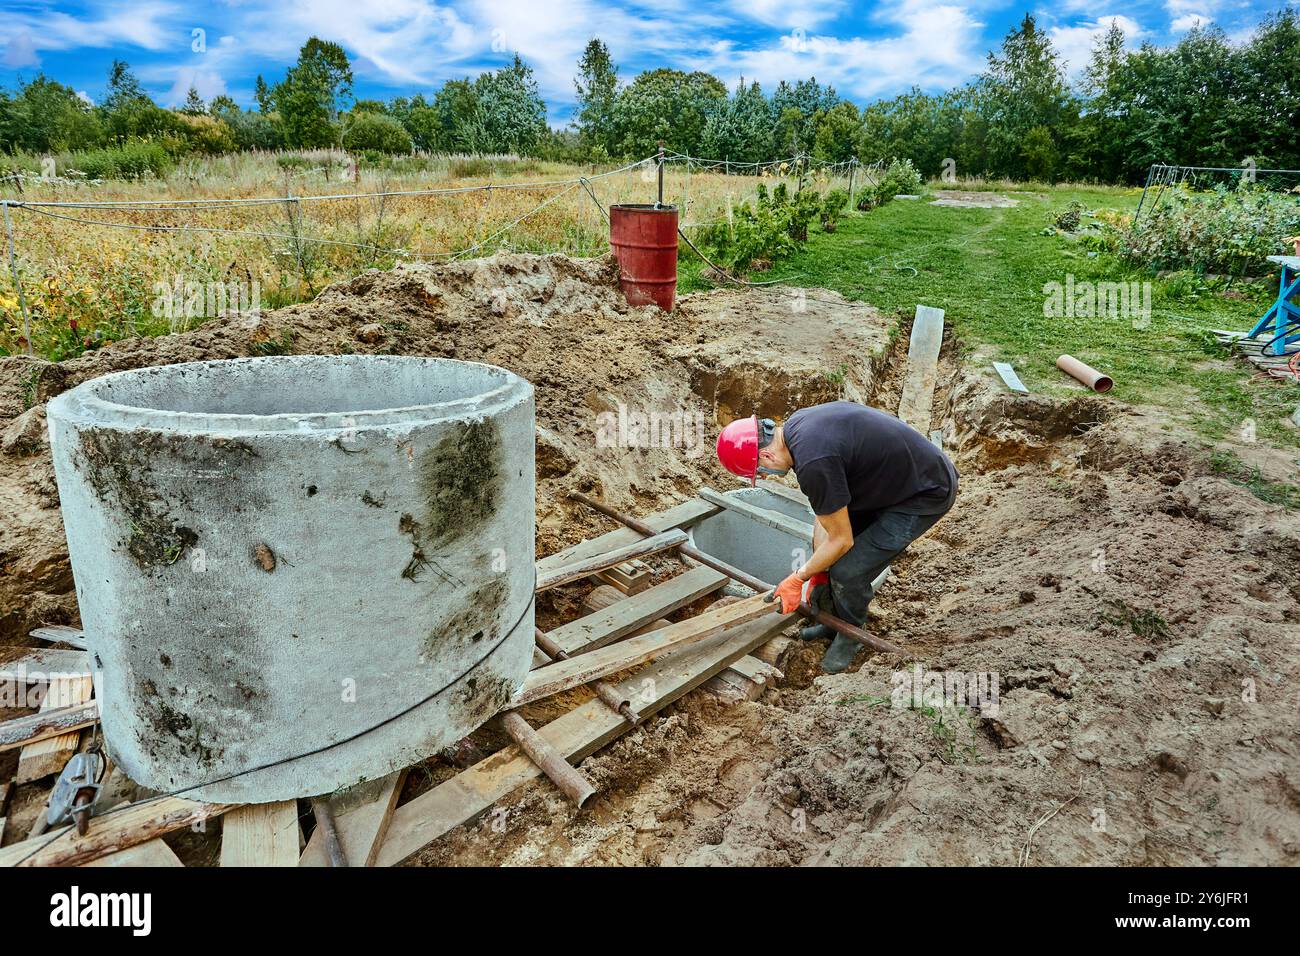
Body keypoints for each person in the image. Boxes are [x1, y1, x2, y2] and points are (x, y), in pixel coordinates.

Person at [715, 401, 958, 673]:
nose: (765, 476)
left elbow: (842, 540)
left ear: (766, 456)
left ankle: (851, 633)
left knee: (849, 569)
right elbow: (825, 518)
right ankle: (831, 624)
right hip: (886, 483)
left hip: (924, 493)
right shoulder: (797, 430)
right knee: (829, 559)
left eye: (759, 472)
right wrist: (819, 570)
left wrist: (799, 578)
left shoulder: (813, 463)